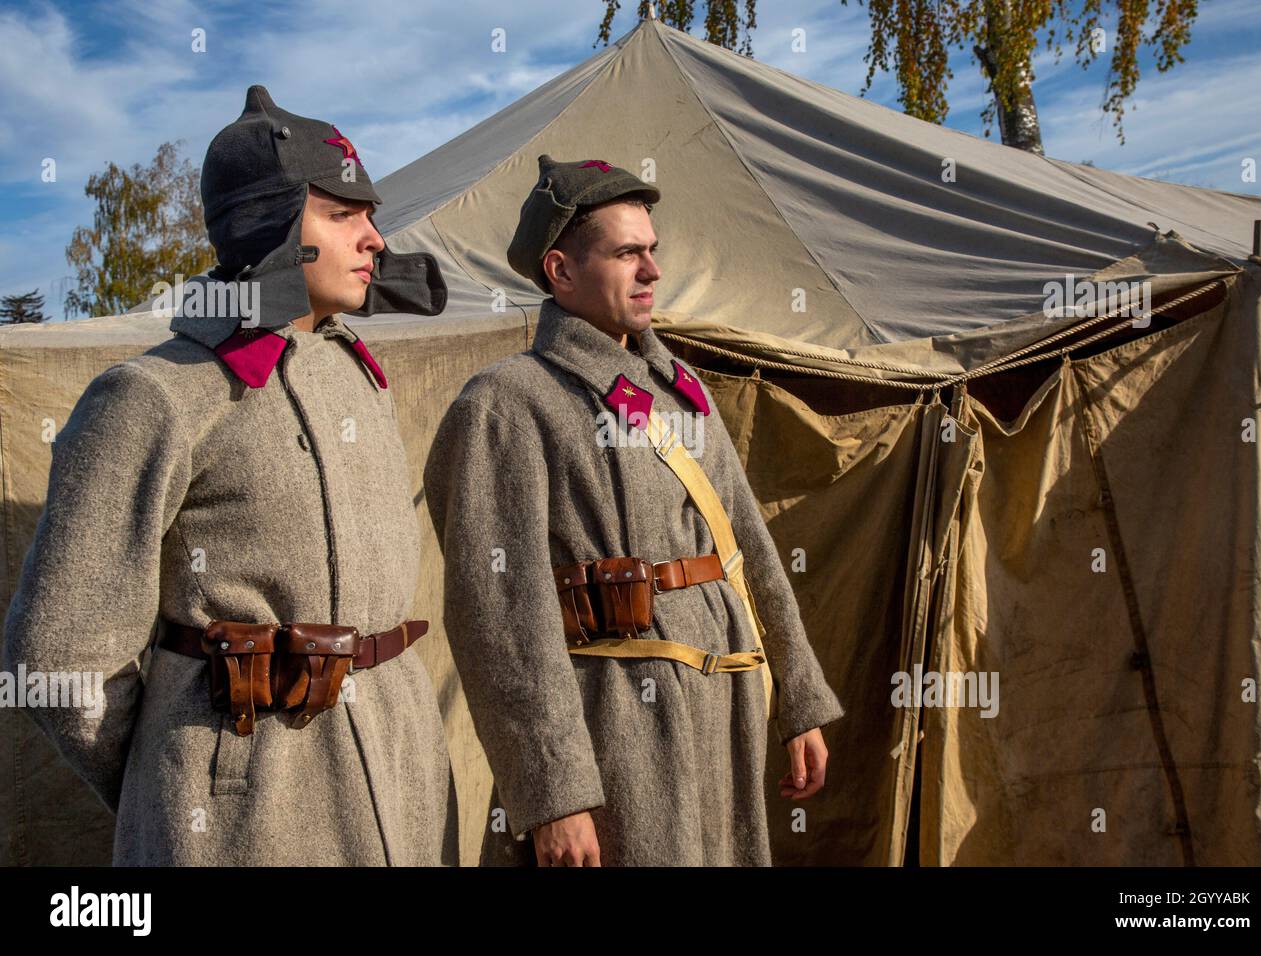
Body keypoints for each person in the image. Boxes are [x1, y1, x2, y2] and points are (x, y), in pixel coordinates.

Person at [3, 86, 456, 866]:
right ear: (273, 223)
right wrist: (184, 777)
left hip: (405, 782)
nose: (376, 239)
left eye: (369, 214)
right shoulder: (156, 396)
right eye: (342, 215)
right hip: (246, 821)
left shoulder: (362, 378)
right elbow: (57, 654)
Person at [428, 155, 844, 866]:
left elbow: (746, 549)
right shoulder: (507, 404)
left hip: (726, 713)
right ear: (560, 271)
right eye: (628, 254)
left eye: (652, 251)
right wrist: (553, 793)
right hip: (612, 731)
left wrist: (799, 698)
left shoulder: (683, 391)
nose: (652, 270)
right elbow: (497, 618)